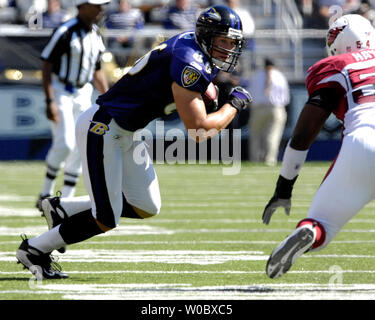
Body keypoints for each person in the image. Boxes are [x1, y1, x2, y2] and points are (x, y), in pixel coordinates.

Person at [16, 5, 251, 280]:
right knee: (105, 218)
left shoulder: (192, 45)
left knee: (146, 205)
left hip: (126, 129)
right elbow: (199, 130)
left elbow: (191, 81)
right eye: (223, 41)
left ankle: (62, 208)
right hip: (104, 126)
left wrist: (208, 88)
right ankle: (33, 249)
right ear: (208, 36)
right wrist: (234, 105)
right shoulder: (189, 60)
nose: (227, 48)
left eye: (231, 42)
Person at [262, 14, 375, 279]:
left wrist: (284, 188)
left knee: (321, 223)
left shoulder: (338, 66)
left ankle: (310, 232)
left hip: (364, 142)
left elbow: (303, 135)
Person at [35, 0, 109, 210]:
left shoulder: (96, 33)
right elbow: (47, 64)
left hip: (83, 91)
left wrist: (108, 96)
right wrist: (49, 100)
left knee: (82, 144)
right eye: (96, 5)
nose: (100, 10)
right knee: (65, 142)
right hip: (62, 90)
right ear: (82, 6)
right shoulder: (65, 31)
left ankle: (64, 200)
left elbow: (97, 68)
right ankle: (45, 192)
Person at [248, 58, 290, 166]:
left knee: (256, 136)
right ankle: (269, 160)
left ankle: (255, 160)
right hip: (276, 108)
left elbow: (250, 95)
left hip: (258, 109)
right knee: (272, 135)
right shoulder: (280, 76)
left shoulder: (256, 76)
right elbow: (286, 98)